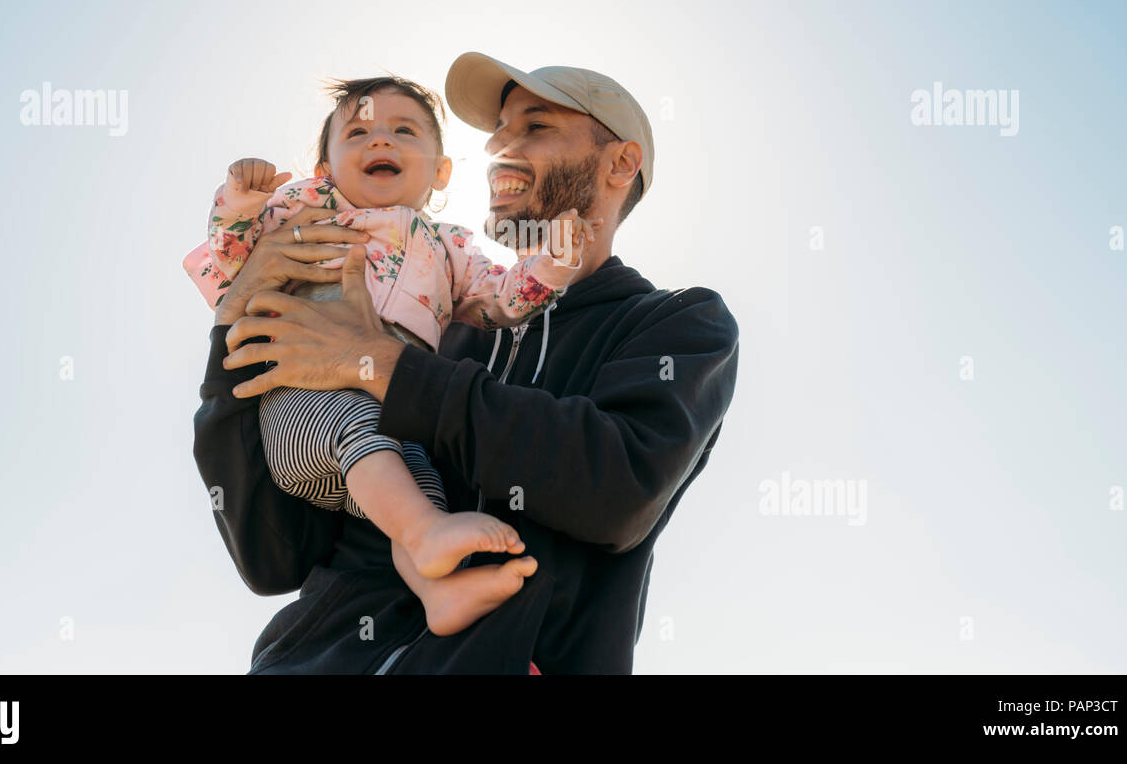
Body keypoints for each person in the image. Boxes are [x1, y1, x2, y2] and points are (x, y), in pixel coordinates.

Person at [193, 51, 740, 673]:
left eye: (534, 127)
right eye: (498, 132)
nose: (501, 146)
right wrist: (234, 317)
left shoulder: (677, 323)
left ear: (620, 163)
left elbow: (616, 488)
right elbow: (272, 555)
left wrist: (383, 366)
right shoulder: (436, 327)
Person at [182, 76, 600, 636]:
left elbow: (502, 299)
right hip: (305, 402)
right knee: (367, 437)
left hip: (388, 411)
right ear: (326, 169)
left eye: (404, 130)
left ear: (441, 172)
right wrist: (241, 198)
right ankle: (427, 537)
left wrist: (551, 265)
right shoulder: (309, 209)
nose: (381, 140)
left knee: (420, 485)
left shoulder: (450, 248)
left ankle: (436, 589)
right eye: (358, 132)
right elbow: (233, 253)